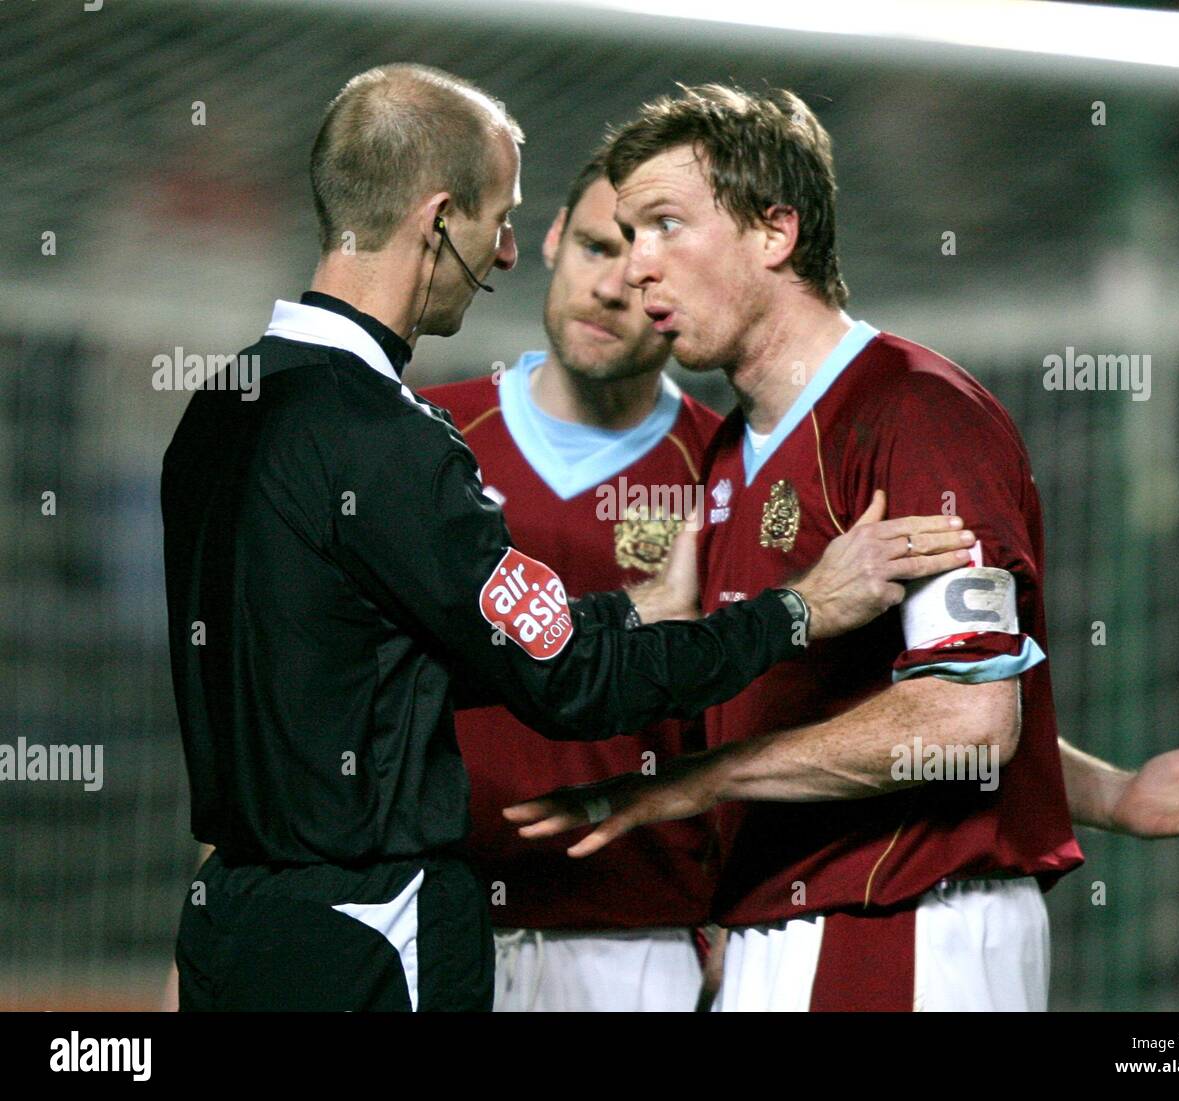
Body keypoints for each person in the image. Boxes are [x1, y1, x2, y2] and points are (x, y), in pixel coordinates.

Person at [160, 66, 971, 1012]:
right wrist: (799, 610)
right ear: (437, 221)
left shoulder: (218, 408)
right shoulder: (392, 438)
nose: (507, 253)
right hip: (366, 933)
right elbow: (566, 677)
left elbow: (349, 657)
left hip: (234, 924)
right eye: (498, 218)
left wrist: (622, 613)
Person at [505, 85, 1179, 1012]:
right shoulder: (728, 455)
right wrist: (1112, 794)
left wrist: (696, 783)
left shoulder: (914, 414)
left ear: (775, 230)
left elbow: (965, 724)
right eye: (626, 236)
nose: (638, 271)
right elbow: (925, 691)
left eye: (666, 226)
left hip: (899, 924)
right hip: (792, 925)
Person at [420, 151, 721, 1011]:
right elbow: (317, 685)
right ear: (550, 237)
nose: (611, 288)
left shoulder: (724, 471)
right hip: (427, 918)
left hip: (634, 941)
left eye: (644, 270)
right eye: (596, 247)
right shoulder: (424, 434)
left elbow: (764, 705)